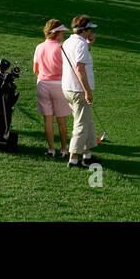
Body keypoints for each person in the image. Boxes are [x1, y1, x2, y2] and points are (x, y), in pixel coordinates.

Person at [59, 15, 99, 169]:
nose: (92, 32)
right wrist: (87, 91)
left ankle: (87, 155)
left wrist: (89, 44)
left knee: (86, 121)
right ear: (85, 30)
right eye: (90, 30)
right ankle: (73, 159)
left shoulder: (69, 42)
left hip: (67, 87)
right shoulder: (81, 45)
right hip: (78, 89)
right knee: (81, 124)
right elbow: (80, 68)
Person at [33, 19, 71, 158]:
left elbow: (35, 69)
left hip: (42, 84)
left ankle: (51, 150)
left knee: (47, 120)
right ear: (56, 33)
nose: (63, 35)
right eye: (61, 33)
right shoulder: (61, 48)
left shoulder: (39, 47)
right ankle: (64, 150)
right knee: (61, 121)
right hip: (58, 85)